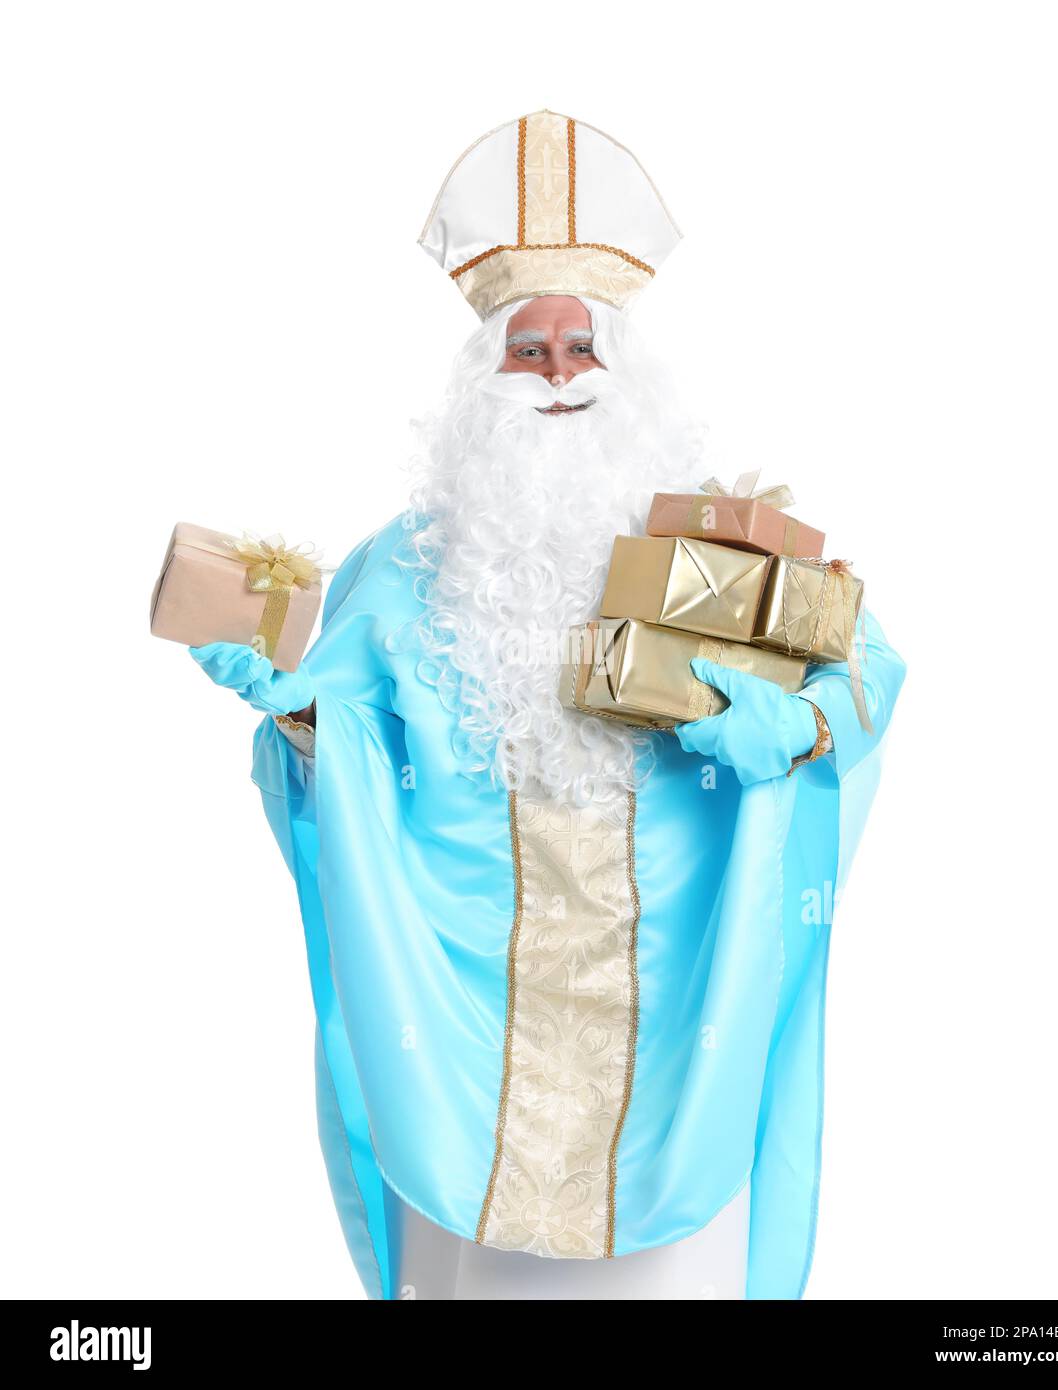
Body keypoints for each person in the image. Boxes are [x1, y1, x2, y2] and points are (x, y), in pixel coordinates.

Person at [188, 111, 906, 1300]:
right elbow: (347, 738)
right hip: (466, 1036)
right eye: (532, 352)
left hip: (683, 1008)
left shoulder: (714, 540)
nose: (563, 375)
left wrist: (798, 723)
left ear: (625, 370)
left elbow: (866, 663)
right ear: (486, 378)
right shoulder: (404, 567)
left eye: (584, 348)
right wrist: (298, 720)